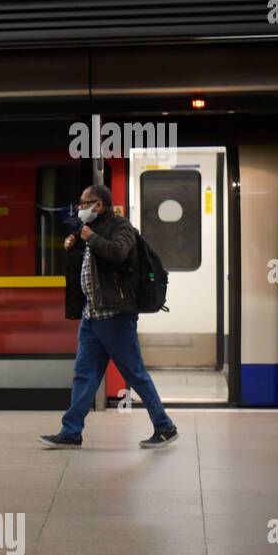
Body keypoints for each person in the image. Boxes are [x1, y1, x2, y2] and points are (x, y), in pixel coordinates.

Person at [40, 184, 178, 450]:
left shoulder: (120, 227)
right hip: (92, 315)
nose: (80, 208)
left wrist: (89, 237)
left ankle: (164, 426)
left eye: (84, 203)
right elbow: (95, 268)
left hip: (115, 316)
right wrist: (76, 244)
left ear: (98, 205)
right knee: (84, 374)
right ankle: (71, 432)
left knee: (134, 373)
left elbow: (118, 253)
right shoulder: (88, 232)